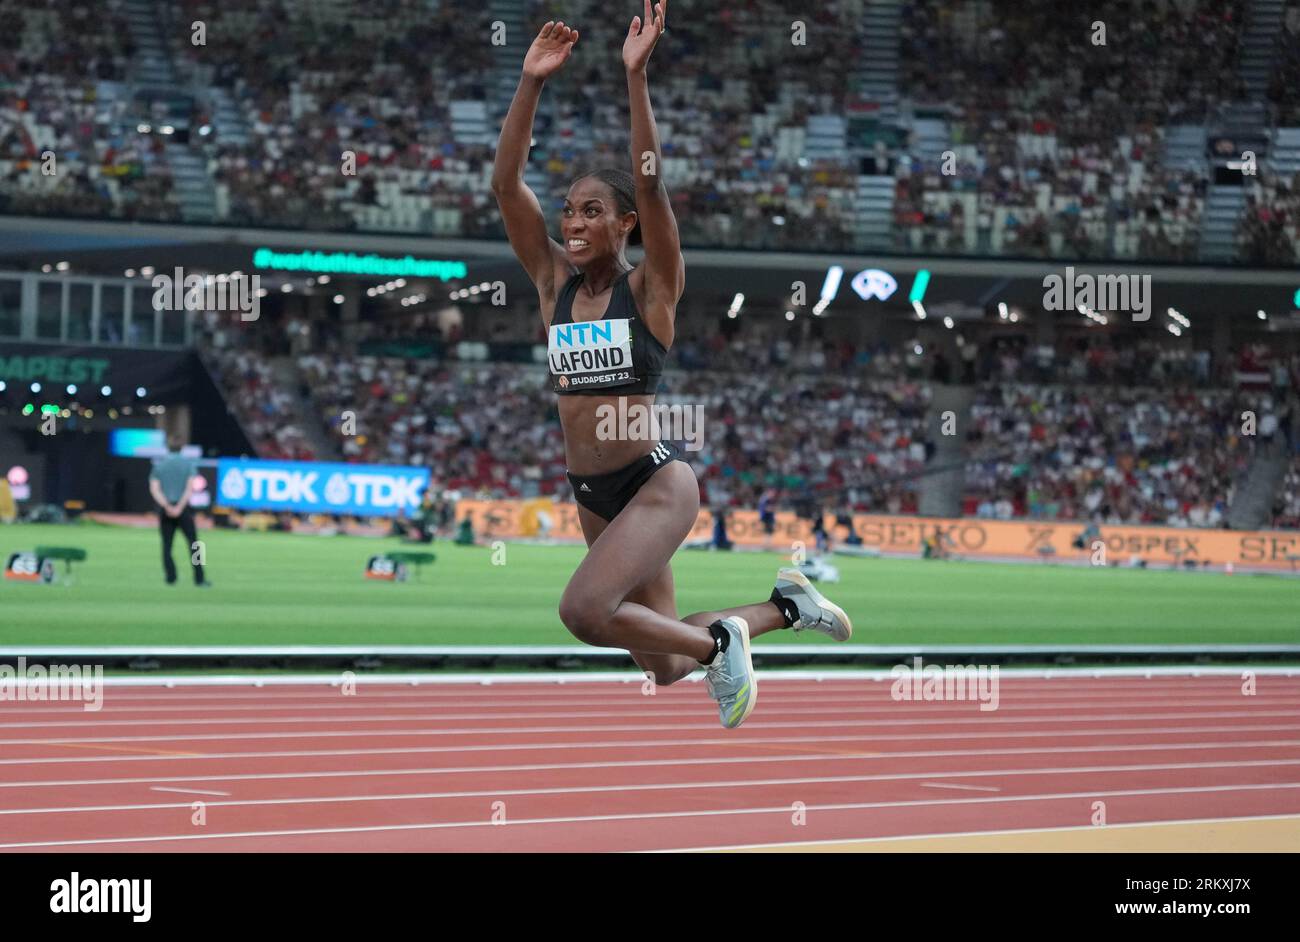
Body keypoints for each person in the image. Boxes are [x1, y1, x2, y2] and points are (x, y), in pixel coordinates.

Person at [491, 6, 851, 728]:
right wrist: (529, 83)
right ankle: (782, 609)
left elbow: (651, 185)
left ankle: (722, 645)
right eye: (568, 212)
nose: (573, 223)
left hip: (655, 485)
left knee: (585, 611)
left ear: (624, 223)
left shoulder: (651, 288)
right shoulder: (553, 285)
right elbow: (506, 187)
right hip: (594, 492)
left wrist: (637, 76)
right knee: (663, 666)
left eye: (592, 211)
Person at [148, 434, 210, 587]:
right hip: (184, 509)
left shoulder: (160, 466)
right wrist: (180, 507)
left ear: (167, 448)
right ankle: (199, 578)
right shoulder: (188, 465)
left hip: (166, 509)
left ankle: (171, 577)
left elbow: (154, 489)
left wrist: (167, 506)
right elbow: (190, 488)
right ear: (182, 448)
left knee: (167, 545)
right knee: (195, 544)